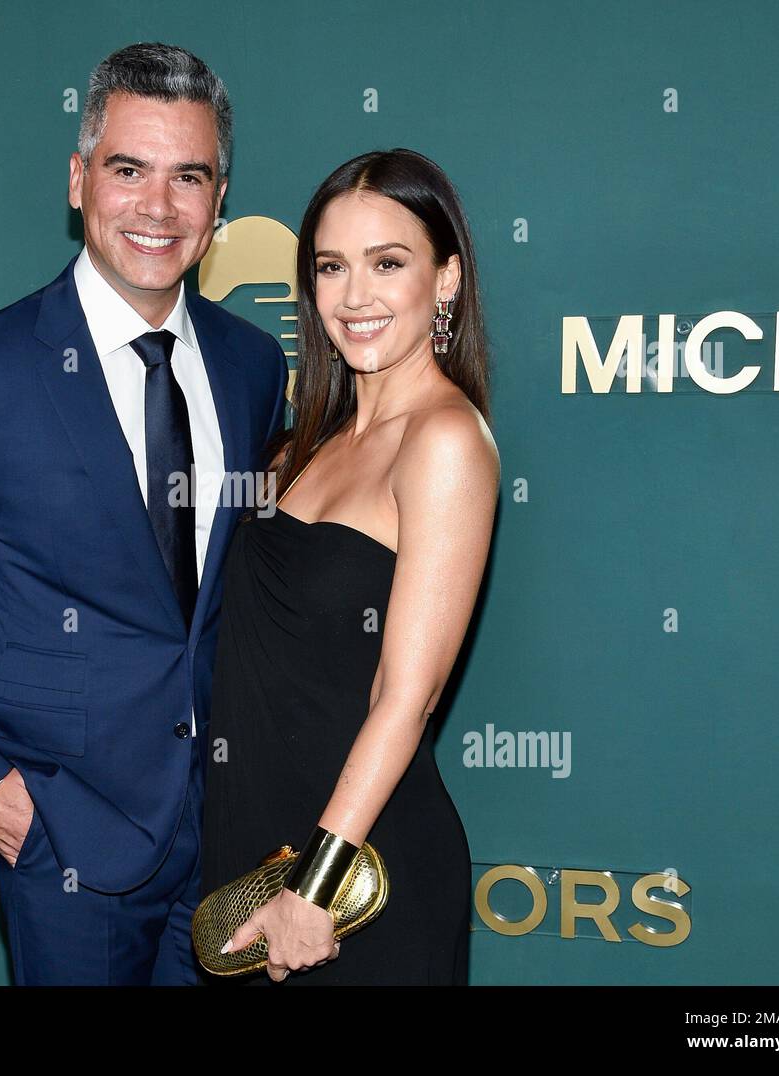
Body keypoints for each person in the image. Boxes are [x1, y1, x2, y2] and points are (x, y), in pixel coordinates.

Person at [0, 42, 287, 985]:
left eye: (188, 177)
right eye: (129, 170)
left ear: (219, 199)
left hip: (230, 834)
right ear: (80, 180)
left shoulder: (253, 365)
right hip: (66, 844)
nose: (158, 208)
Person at [199, 148, 500, 985]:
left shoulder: (444, 442)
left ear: (446, 279)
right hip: (249, 847)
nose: (355, 295)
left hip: (355, 877)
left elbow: (407, 697)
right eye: (331, 266)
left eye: (388, 262)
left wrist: (313, 890)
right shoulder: (304, 442)